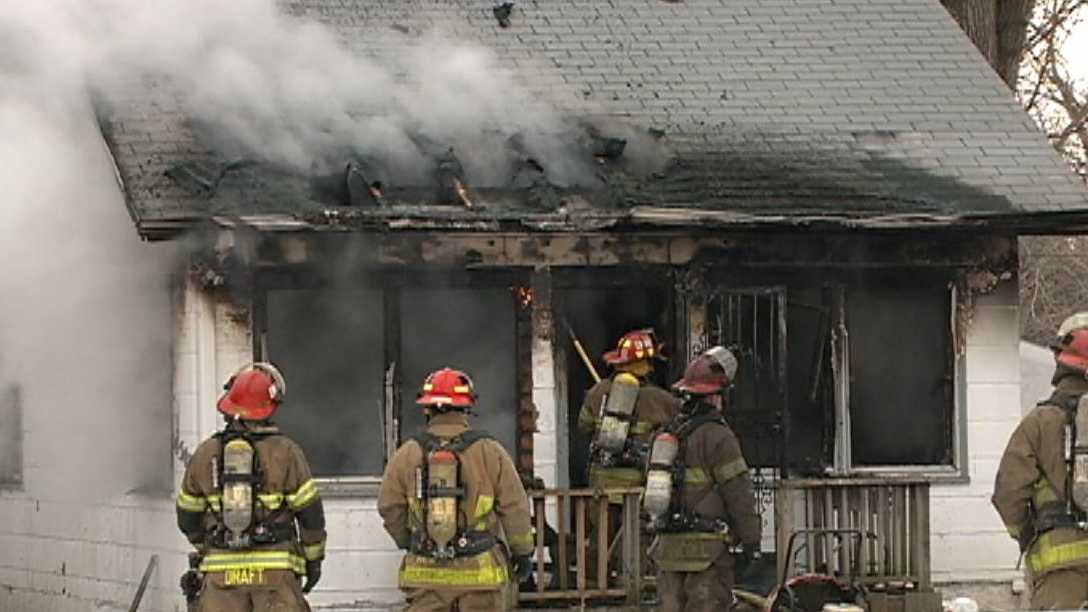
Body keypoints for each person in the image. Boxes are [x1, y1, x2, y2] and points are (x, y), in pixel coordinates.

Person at [378, 368, 534, 611]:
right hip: (481, 577)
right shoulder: (489, 451)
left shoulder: (407, 453)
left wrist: (410, 541)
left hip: (425, 577)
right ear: (466, 409)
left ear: (427, 409)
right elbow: (515, 508)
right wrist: (523, 554)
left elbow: (388, 506)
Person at [176, 362, 326, 611]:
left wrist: (209, 546)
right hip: (276, 581)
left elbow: (186, 517)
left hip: (220, 582)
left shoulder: (206, 454)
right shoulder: (286, 453)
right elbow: (311, 517)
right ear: (268, 409)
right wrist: (313, 562)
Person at [645, 346, 761, 612]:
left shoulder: (666, 435)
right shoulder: (719, 437)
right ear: (716, 397)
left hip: (667, 551)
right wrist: (751, 541)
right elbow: (738, 493)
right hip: (707, 555)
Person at [994, 312, 1088, 609]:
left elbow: (1007, 493)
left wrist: (1028, 536)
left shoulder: (1038, 422)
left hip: (1060, 575)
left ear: (1062, 359)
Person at [576, 329, 681, 579]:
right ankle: (633, 583)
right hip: (637, 485)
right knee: (636, 539)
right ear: (648, 364)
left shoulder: (597, 392)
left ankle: (594, 586)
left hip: (602, 482)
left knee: (600, 539)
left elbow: (582, 427)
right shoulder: (663, 400)